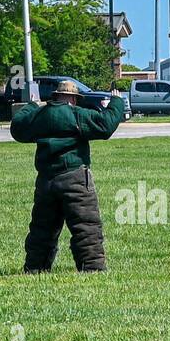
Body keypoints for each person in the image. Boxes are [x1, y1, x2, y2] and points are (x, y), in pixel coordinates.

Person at [10, 81, 124, 273]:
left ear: (56, 96)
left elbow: (17, 127)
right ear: (73, 98)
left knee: (42, 229)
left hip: (46, 180)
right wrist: (116, 102)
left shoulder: (40, 115)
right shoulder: (76, 115)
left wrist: (32, 104)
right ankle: (92, 268)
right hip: (75, 178)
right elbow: (105, 125)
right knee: (85, 226)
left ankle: (35, 268)